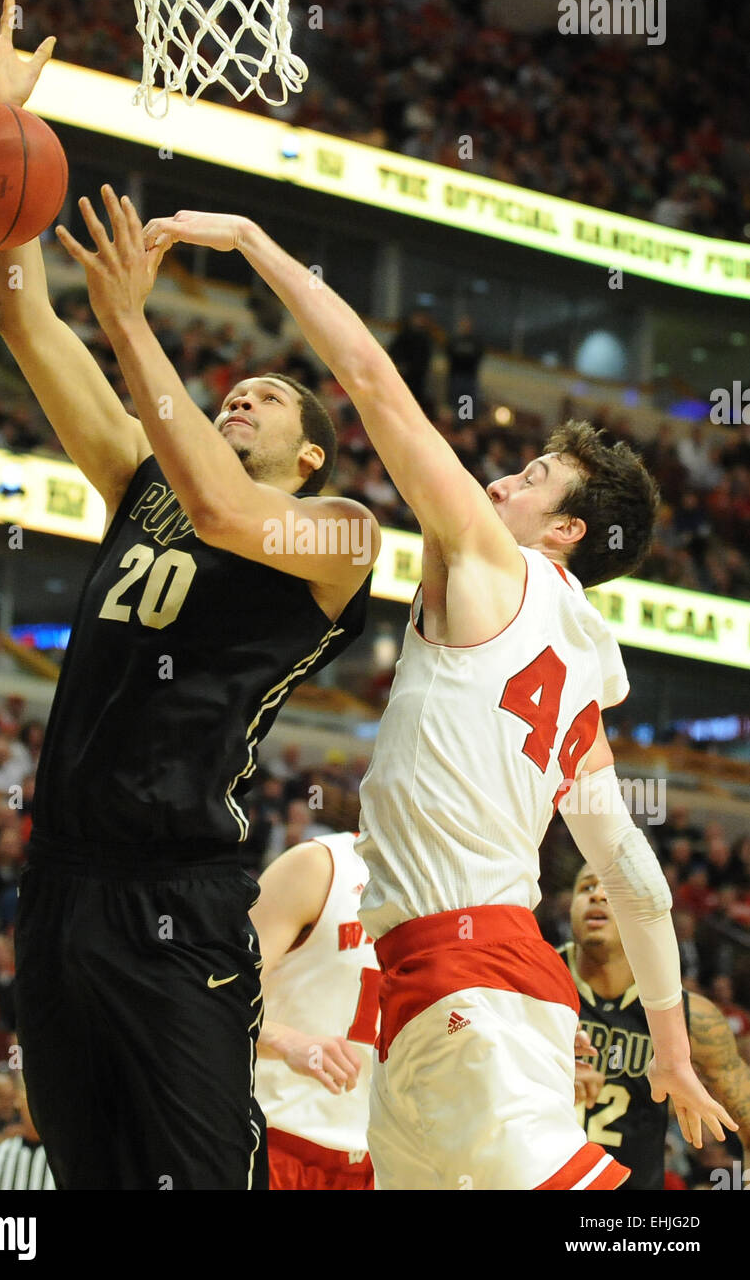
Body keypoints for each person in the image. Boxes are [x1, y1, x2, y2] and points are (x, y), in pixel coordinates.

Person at [146, 206, 739, 1190]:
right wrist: (670, 1050)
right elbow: (637, 880)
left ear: (566, 535)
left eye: (534, 476)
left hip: (477, 975)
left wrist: (257, 245)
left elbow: (373, 384)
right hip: (431, 991)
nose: (502, 479)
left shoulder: (489, 557)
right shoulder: (577, 687)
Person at [0, 0, 378, 1191]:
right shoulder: (145, 475)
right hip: (61, 878)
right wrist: (8, 147)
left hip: (179, 894)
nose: (243, 391)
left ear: (309, 454)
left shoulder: (337, 536)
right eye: (232, 385)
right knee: (82, 1172)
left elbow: (221, 510)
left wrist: (137, 332)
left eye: (270, 397)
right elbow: (26, 321)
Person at [561, 864, 750, 1189]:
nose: (598, 894)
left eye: (612, 889)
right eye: (586, 887)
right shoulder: (529, 985)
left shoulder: (690, 1015)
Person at [251, 830, 378, 1190]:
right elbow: (209, 1001)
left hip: (386, 1162)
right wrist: (285, 1040)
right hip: (277, 1143)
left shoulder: (460, 895)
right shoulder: (318, 866)